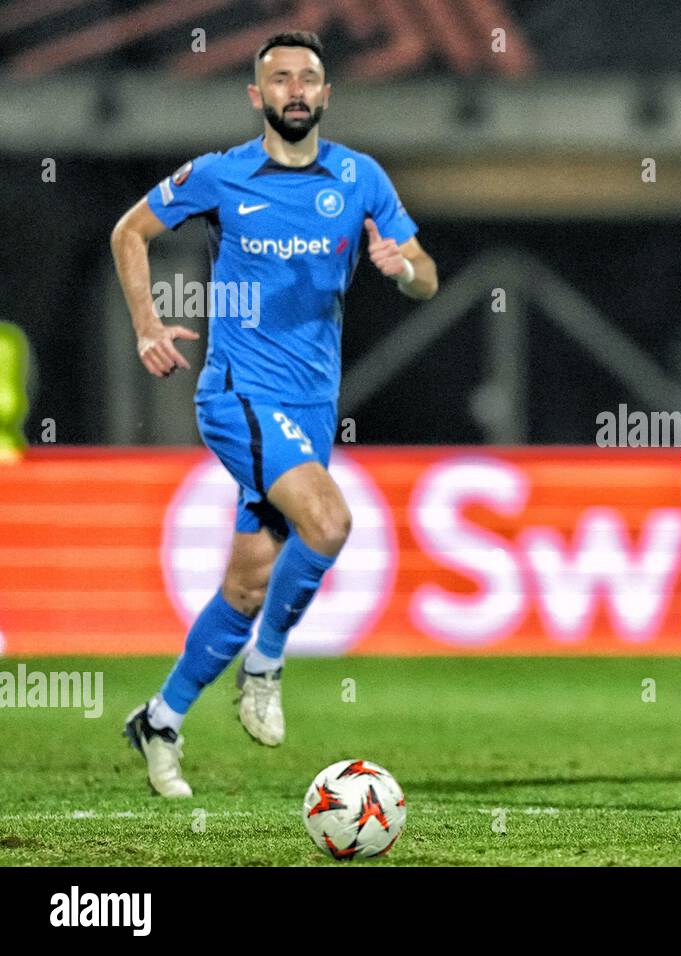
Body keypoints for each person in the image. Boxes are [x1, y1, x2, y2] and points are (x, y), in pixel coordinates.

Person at [110, 31, 437, 797]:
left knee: (248, 584)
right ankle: (265, 664)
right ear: (257, 96)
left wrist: (403, 269)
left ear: (326, 95)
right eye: (280, 78)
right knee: (330, 521)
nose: (295, 89)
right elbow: (131, 232)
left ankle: (161, 718)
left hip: (312, 408)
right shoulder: (221, 175)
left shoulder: (359, 177)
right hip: (238, 395)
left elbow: (424, 274)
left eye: (308, 78)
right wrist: (147, 325)